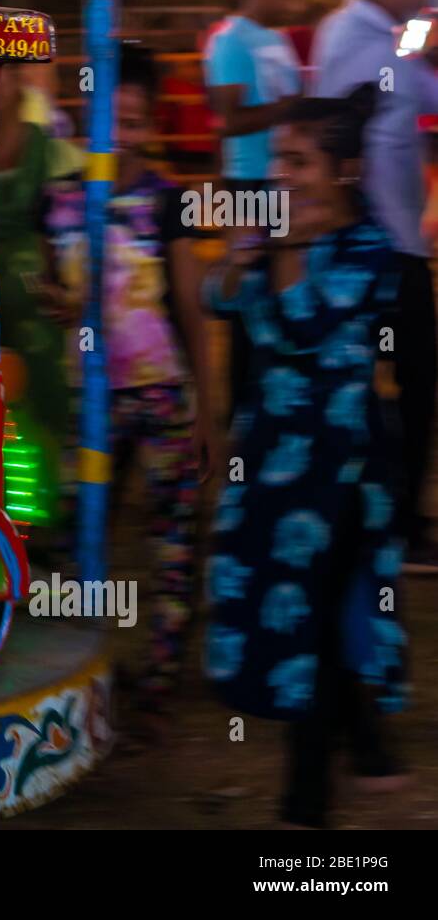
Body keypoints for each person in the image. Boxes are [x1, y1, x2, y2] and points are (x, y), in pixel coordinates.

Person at [202, 87, 410, 829]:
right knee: (320, 610)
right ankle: (374, 751)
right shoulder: (280, 236)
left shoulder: (369, 252)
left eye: (299, 160)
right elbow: (219, 298)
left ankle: (306, 805)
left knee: (314, 624)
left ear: (345, 169)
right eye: (279, 159)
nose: (282, 174)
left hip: (342, 475)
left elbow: (300, 323)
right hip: (269, 472)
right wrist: (239, 261)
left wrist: (281, 249)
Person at [38, 45, 218, 730]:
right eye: (117, 113)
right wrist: (52, 298)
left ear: (152, 122)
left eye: (140, 116)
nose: (128, 127)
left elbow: (192, 310)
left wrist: (207, 414)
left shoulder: (171, 202)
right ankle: (78, 671)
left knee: (172, 545)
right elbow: (50, 286)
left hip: (164, 396)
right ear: (93, 115)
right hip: (91, 406)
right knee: (81, 532)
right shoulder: (59, 201)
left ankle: (161, 680)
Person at [313, 0, 438, 571]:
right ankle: (394, 526)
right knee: (399, 385)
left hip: (394, 246)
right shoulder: (355, 37)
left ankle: (386, 517)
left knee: (393, 385)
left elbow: (422, 101)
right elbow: (337, 128)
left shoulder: (386, 39)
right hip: (379, 249)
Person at [204, 0, 305, 419]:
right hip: (244, 187)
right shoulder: (229, 41)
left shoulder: (276, 38)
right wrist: (289, 109)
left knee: (280, 296)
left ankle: (270, 406)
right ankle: (239, 417)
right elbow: (229, 119)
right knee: (246, 305)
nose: (294, 5)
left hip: (279, 184)